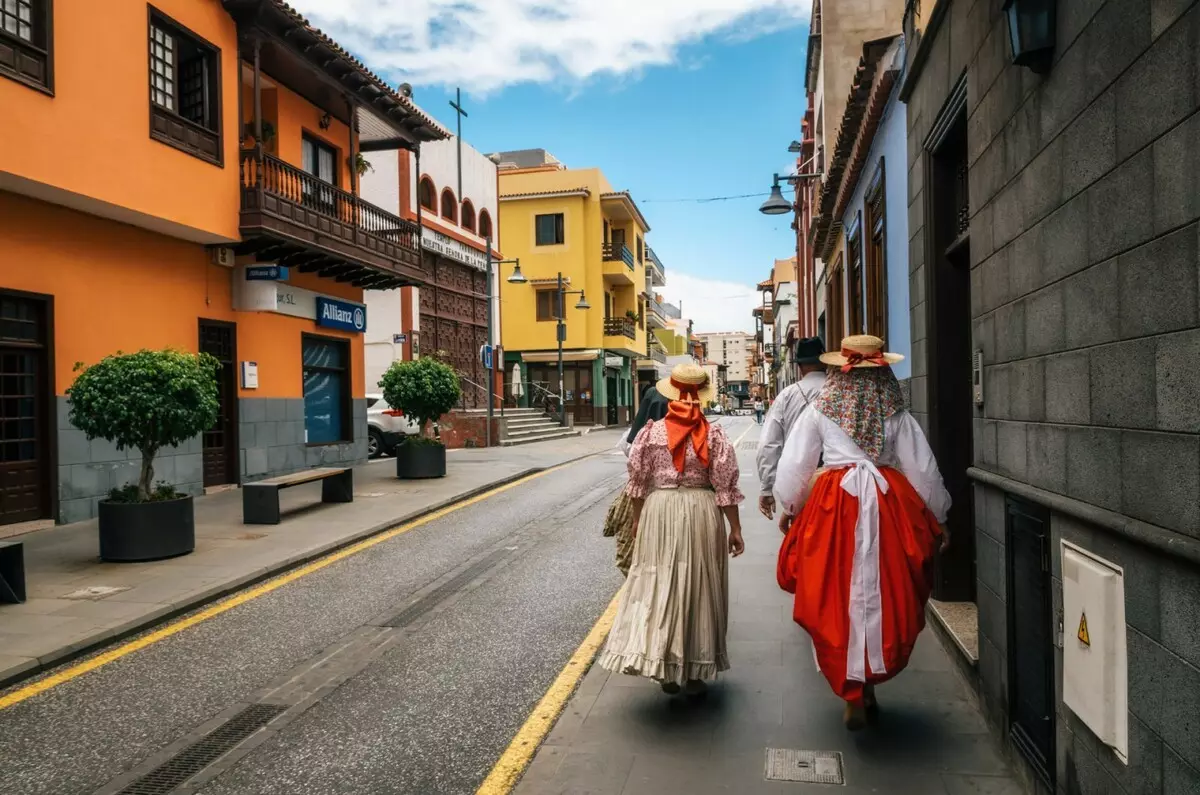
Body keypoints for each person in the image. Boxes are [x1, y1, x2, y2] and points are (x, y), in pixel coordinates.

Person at [774, 335, 951, 731]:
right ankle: (868, 681)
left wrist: (789, 506)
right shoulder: (896, 412)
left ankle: (852, 685)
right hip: (889, 504)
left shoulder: (822, 408)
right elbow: (922, 469)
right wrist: (939, 515)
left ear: (842, 367)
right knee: (884, 591)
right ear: (882, 368)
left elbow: (796, 463)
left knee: (836, 592)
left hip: (834, 506)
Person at [598, 363, 745, 695]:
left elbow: (636, 483)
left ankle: (664, 664)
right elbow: (724, 487)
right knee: (699, 583)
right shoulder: (716, 435)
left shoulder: (650, 433)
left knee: (659, 581)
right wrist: (735, 528)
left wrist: (638, 521)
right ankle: (694, 667)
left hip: (659, 511)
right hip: (702, 511)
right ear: (702, 396)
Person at [756, 337, 827, 521]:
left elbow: (768, 444)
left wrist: (766, 487)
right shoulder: (839, 391)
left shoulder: (787, 396)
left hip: (800, 484)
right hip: (838, 482)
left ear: (800, 367)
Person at [603, 384, 670, 576]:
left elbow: (630, 455)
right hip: (678, 498)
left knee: (633, 553)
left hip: (644, 493)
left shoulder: (642, 434)